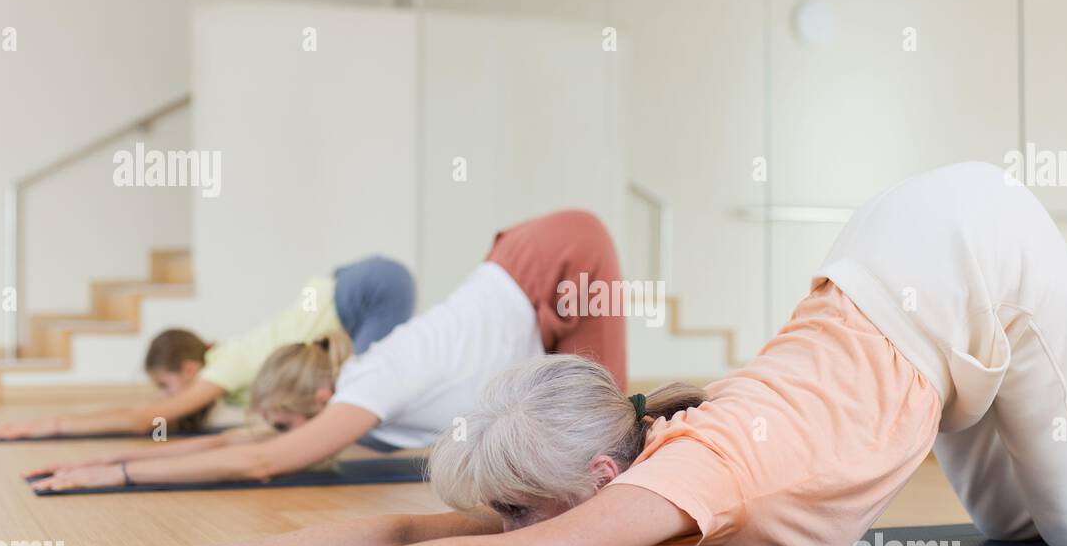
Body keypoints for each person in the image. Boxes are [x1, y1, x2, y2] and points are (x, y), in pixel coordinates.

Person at [50, 163, 1067, 546]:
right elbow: (425, 535)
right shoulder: (619, 464)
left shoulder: (688, 472)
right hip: (914, 291)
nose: (511, 533)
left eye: (524, 514)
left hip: (967, 246)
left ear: (592, 486)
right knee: (1022, 527)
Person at [31, 209, 626, 490]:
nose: (285, 435)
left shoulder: (368, 384)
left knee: (608, 431)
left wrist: (120, 476)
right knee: (572, 439)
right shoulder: (352, 385)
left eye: (290, 424)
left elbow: (262, 461)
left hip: (558, 257)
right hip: (523, 264)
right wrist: (102, 462)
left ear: (318, 401)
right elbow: (250, 442)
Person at [0, 256, 415, 439]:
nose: (166, 397)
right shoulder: (228, 362)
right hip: (359, 280)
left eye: (166, 384)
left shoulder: (223, 366)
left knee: (367, 399)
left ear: (191, 369)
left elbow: (142, 419)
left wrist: (50, 424)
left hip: (369, 288)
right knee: (358, 397)